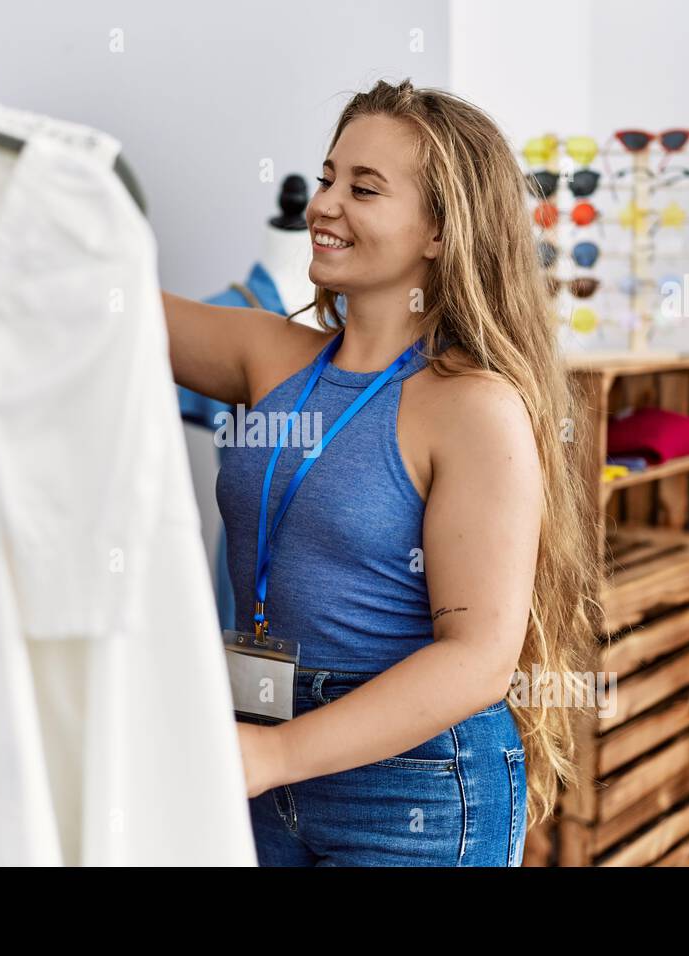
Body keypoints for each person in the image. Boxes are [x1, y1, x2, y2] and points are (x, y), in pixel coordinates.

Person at [161, 78, 601, 866]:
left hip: (411, 786)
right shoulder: (270, 357)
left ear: (439, 231)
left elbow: (477, 659)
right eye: (328, 177)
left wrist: (276, 756)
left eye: (363, 188)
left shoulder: (474, 405)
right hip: (263, 742)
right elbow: (116, 307)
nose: (325, 204)